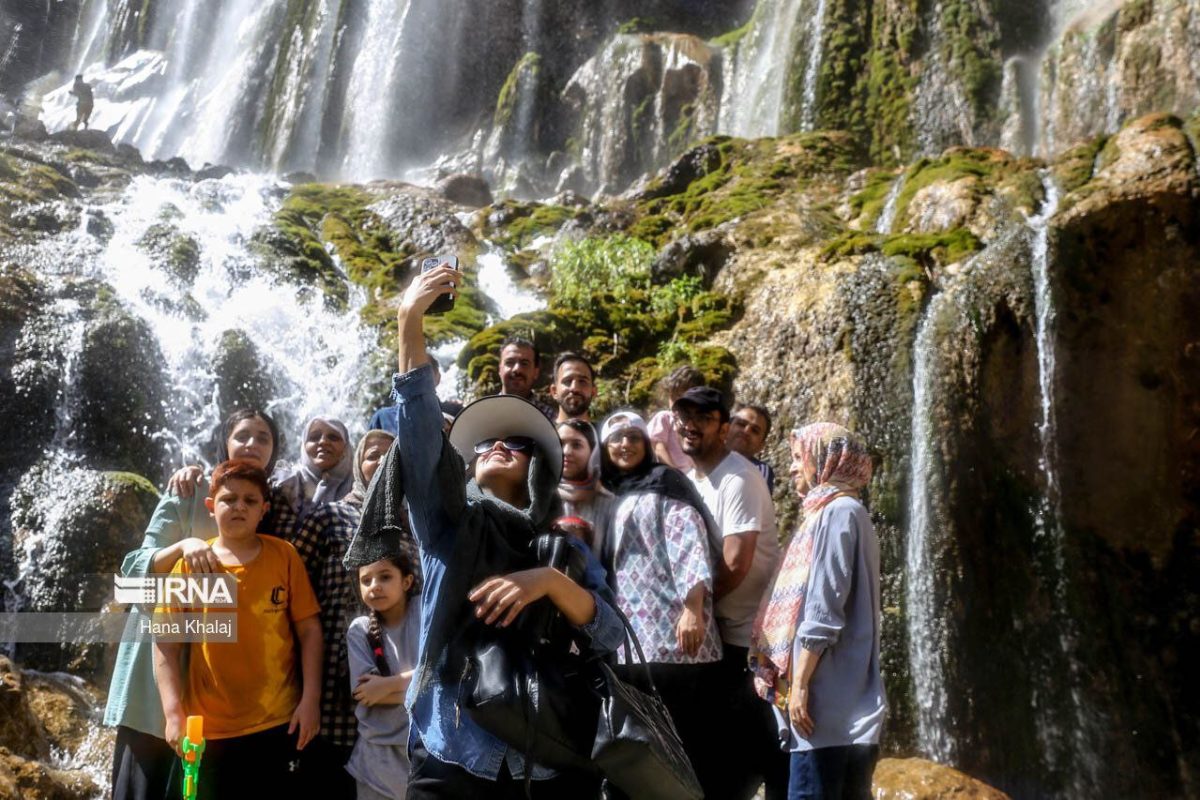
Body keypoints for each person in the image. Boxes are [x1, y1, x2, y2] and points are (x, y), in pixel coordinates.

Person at [346, 262, 623, 798]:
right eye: (484, 444)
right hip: (452, 748)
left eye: (516, 444)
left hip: (544, 761)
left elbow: (609, 633)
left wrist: (547, 582)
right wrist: (409, 321)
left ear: (539, 470)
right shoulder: (446, 525)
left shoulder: (560, 550)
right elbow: (421, 436)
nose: (497, 446)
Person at [105, 409, 281, 800]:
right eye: (243, 435)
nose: (252, 444)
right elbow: (132, 577)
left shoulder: (271, 502)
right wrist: (185, 546)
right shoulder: (190, 489)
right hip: (158, 675)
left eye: (263, 438)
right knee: (142, 787)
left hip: (220, 687)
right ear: (225, 441)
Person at [153, 459, 323, 799]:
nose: (239, 507)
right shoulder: (190, 565)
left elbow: (309, 630)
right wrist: (173, 714)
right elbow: (165, 645)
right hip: (209, 731)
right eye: (229, 499)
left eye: (250, 500)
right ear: (211, 506)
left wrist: (311, 700)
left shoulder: (284, 556)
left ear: (264, 510)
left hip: (279, 723)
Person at [750, 423, 885, 800]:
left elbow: (824, 609)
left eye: (798, 458)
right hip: (840, 710)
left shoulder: (838, 513)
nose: (792, 467)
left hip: (824, 710)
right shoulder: (844, 511)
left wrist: (801, 685)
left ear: (826, 460)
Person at [598, 410, 724, 798]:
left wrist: (692, 606)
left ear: (646, 444)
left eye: (633, 437)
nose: (625, 445)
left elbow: (687, 540)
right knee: (649, 751)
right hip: (634, 647)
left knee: (686, 743)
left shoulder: (665, 482)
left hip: (677, 643)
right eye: (616, 438)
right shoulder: (614, 494)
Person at [675, 386, 785, 799]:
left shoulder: (739, 477)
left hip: (748, 639)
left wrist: (696, 609)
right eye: (683, 415)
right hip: (716, 636)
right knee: (717, 755)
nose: (690, 425)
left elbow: (737, 563)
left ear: (722, 429)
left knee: (750, 756)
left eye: (702, 418)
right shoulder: (690, 480)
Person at [290, 428, 399, 798]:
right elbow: (290, 591)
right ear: (357, 463)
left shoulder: (413, 528)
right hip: (329, 685)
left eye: (391, 455)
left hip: (392, 693)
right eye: (373, 454)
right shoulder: (328, 516)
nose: (382, 462)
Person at [344, 538, 423, 800]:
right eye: (366, 581)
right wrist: (421, 686)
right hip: (376, 764)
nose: (375, 586)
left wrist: (386, 686)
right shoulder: (360, 630)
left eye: (385, 576)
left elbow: (442, 678)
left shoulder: (423, 612)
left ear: (407, 581)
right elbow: (366, 694)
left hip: (424, 753)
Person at [557, 419, 614, 555]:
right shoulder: (539, 497)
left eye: (576, 445)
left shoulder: (610, 503)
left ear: (593, 451)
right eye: (559, 444)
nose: (566, 452)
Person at [369, 355, 461, 434]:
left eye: (423, 372)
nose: (415, 379)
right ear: (399, 379)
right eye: (410, 372)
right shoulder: (382, 418)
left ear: (438, 377)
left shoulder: (456, 412)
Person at [647, 365, 704, 471]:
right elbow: (658, 448)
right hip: (670, 474)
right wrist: (675, 474)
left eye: (684, 398)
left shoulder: (700, 423)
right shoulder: (665, 419)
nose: (677, 403)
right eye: (674, 397)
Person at [498, 336, 555, 420]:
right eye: (510, 362)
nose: (517, 369)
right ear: (499, 369)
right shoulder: (481, 413)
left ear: (536, 372)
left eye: (524, 363)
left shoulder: (549, 418)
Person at [729, 403, 777, 493]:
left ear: (761, 446)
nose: (746, 431)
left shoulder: (759, 471)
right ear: (726, 427)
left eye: (755, 431)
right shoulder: (703, 456)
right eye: (741, 424)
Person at [549, 352, 598, 423]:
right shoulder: (541, 433)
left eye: (582, 381)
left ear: (593, 391)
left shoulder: (605, 433)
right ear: (554, 391)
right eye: (567, 381)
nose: (575, 388)